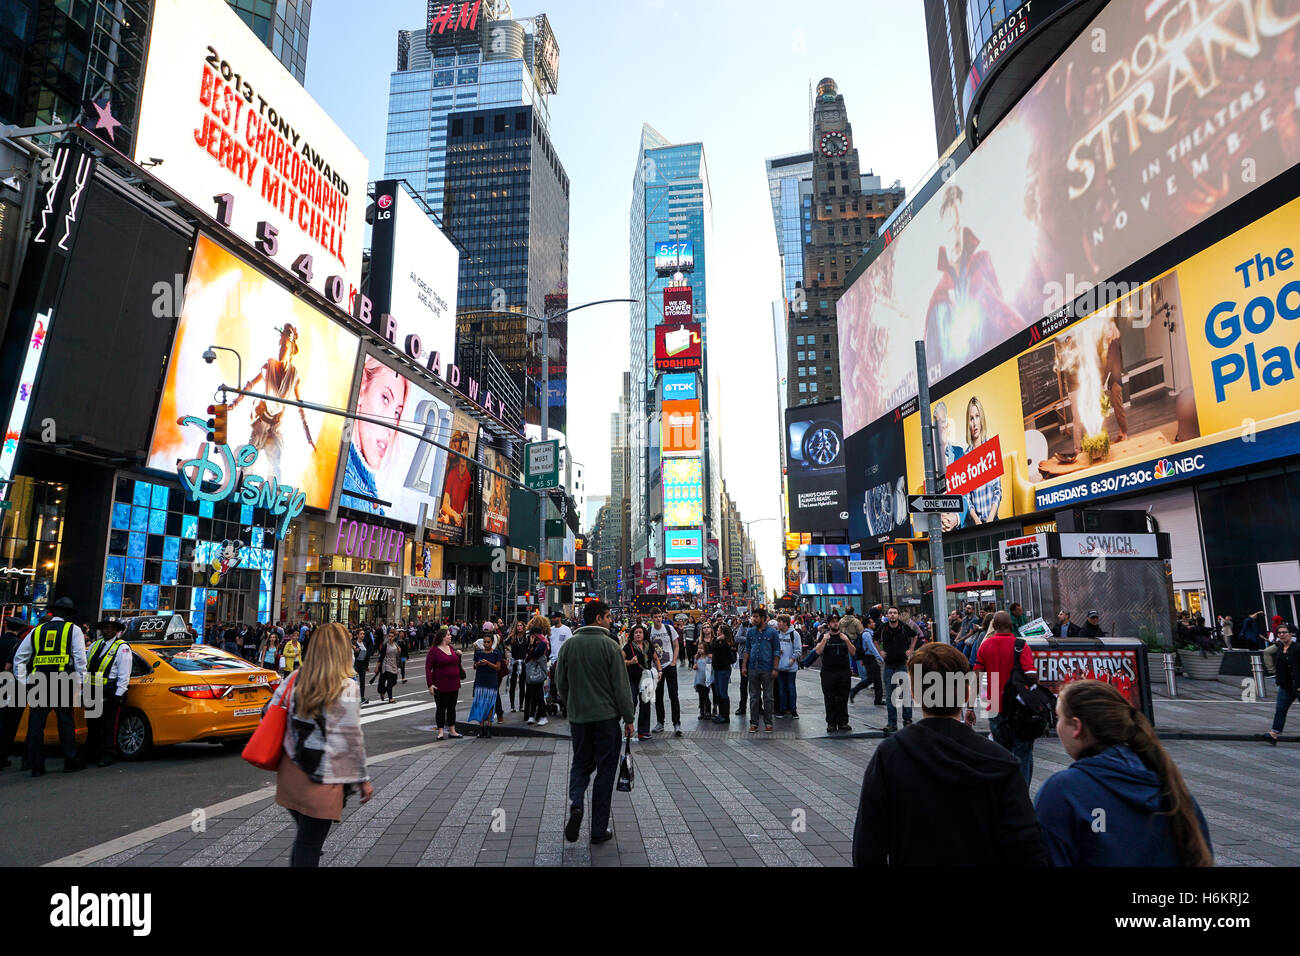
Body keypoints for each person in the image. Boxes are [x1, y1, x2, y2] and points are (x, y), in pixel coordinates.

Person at [852, 642, 1047, 867]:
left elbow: (867, 849)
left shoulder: (890, 756)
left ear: (914, 693)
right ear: (966, 693)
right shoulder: (1001, 762)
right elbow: (1029, 851)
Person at [1035, 679, 1212, 866]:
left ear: (1077, 727)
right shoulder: (1174, 791)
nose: (1057, 726)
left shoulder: (1064, 791)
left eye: (1059, 717)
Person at [269, 622, 373, 866]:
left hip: (292, 771)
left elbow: (269, 711)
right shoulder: (346, 686)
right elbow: (350, 739)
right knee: (309, 845)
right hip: (324, 776)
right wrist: (363, 779)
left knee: (305, 841)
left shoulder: (296, 677)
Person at [556, 602, 635, 846]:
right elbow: (621, 688)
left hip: (580, 719)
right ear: (599, 618)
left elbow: (561, 683)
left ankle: (577, 803)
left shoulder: (569, 646)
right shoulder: (611, 646)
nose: (612, 621)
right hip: (606, 720)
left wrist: (573, 707)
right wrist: (629, 718)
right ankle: (598, 829)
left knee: (580, 765)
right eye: (609, 616)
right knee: (605, 771)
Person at [14, 597, 88, 776]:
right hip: (63, 681)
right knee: (66, 722)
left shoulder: (37, 631)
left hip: (39, 682)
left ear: (53, 612)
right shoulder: (74, 630)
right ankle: (69, 761)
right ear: (69, 615)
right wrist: (81, 684)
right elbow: (80, 660)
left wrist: (24, 682)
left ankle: (36, 766)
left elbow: (19, 659)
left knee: (36, 725)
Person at [974, 610, 1039, 785]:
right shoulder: (1021, 645)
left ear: (993, 626)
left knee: (1001, 753)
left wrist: (969, 708)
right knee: (1023, 753)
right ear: (1011, 626)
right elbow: (1032, 675)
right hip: (1020, 708)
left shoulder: (985, 646)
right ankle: (1022, 794)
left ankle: (1004, 791)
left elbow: (977, 676)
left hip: (995, 706)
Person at [83, 620, 132, 767]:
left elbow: (124, 673)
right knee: (93, 725)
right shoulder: (95, 645)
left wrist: (118, 694)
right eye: (105, 628)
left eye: (111, 628)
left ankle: (108, 754)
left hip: (110, 690)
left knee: (109, 725)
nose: (108, 630)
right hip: (92, 689)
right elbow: (86, 665)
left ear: (117, 631)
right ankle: (91, 753)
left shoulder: (122, 647)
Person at [876, 607, 917, 734]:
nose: (892, 615)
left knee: (906, 693)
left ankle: (907, 720)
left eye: (895, 613)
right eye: (890, 613)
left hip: (902, 664)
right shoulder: (883, 628)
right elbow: (875, 639)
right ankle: (892, 723)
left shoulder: (904, 627)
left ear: (898, 615)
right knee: (889, 696)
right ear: (887, 615)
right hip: (889, 666)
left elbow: (915, 635)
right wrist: (880, 652)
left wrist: (910, 650)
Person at [815, 614, 856, 733]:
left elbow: (853, 652)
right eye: (833, 622)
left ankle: (843, 721)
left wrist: (847, 640)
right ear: (828, 624)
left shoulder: (844, 636)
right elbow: (818, 651)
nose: (835, 623)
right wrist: (824, 640)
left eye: (837, 621)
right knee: (830, 698)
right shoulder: (824, 636)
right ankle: (831, 723)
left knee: (843, 698)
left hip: (843, 672)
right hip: (828, 672)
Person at [741, 608, 779, 734]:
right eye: (753, 617)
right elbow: (747, 649)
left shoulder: (772, 633)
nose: (754, 619)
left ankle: (768, 722)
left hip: (767, 669)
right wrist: (744, 666)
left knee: (768, 697)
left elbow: (776, 651)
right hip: (753, 668)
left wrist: (775, 668)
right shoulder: (751, 632)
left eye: (756, 616)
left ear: (763, 618)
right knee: (753, 697)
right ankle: (754, 723)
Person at [425, 628, 465, 741]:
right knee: (441, 708)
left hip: (454, 683)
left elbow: (456, 663)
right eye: (448, 635)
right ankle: (441, 732)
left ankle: (452, 731)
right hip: (440, 684)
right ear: (443, 637)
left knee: (452, 708)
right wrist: (430, 684)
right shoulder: (434, 651)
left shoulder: (451, 648)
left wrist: (459, 656)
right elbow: (428, 668)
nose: (450, 636)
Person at [648, 610, 682, 736]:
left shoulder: (669, 628)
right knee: (659, 696)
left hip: (670, 665)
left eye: (660, 616)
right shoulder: (649, 631)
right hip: (657, 667)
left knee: (674, 695)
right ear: (652, 618)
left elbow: (676, 645)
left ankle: (676, 723)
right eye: (655, 617)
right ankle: (660, 722)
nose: (658, 619)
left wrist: (674, 661)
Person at [624, 624, 658, 739]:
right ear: (632, 635)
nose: (638, 634)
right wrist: (630, 662)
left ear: (644, 634)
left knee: (645, 704)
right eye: (636, 632)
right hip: (632, 679)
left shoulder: (649, 646)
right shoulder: (628, 647)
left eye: (640, 632)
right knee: (632, 702)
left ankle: (643, 731)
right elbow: (620, 661)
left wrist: (660, 671)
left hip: (646, 679)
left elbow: (656, 659)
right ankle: (629, 725)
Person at [467, 632, 504, 738]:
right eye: (484, 642)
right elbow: (474, 666)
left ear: (492, 643)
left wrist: (487, 663)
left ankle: (489, 728)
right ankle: (481, 728)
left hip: (491, 682)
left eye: (488, 642)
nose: (486, 644)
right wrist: (478, 664)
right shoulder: (479, 652)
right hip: (480, 681)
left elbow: (498, 667)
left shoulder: (496, 653)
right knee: (480, 704)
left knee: (490, 705)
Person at [1268, 623, 1299, 746]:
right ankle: (1274, 733)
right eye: (1279, 633)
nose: (1281, 635)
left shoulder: (1297, 648)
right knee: (1280, 709)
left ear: (1291, 634)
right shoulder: (1280, 648)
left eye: (1284, 632)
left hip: (1297, 684)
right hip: (1285, 685)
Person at [849, 612, 885, 706]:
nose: (874, 624)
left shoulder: (870, 633)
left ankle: (878, 699)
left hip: (869, 658)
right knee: (873, 679)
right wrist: (880, 658)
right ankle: (854, 691)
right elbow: (872, 648)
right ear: (868, 624)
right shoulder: (867, 635)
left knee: (874, 679)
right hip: (869, 658)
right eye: (872, 622)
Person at [523, 619, 551, 726]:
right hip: (532, 672)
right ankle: (532, 716)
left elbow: (534, 655)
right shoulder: (538, 643)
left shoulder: (542, 643)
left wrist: (531, 647)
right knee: (533, 694)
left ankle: (542, 716)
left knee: (538, 694)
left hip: (538, 672)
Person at [775, 614, 802, 719]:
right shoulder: (776, 634)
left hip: (791, 667)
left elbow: (798, 650)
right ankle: (782, 709)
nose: (778, 624)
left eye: (780, 622)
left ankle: (793, 710)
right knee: (781, 689)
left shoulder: (794, 634)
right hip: (780, 666)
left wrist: (791, 660)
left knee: (791, 688)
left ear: (785, 623)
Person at [709, 624, 736, 725]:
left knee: (723, 692)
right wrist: (717, 639)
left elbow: (715, 648)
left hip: (723, 670)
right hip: (718, 669)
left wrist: (716, 640)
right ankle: (721, 714)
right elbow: (712, 647)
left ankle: (725, 716)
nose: (717, 632)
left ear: (723, 632)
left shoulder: (726, 643)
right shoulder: (720, 641)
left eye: (718, 630)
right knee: (719, 692)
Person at [506, 621, 529, 712]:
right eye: (518, 626)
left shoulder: (526, 638)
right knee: (513, 684)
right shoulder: (513, 637)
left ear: (523, 627)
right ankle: (512, 706)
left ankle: (521, 705)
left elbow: (528, 648)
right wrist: (510, 651)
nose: (519, 627)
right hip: (514, 663)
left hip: (523, 663)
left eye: (521, 626)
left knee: (522, 685)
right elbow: (504, 643)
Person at [374, 631, 402, 704]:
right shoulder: (385, 645)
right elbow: (381, 656)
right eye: (389, 636)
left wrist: (399, 650)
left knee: (394, 681)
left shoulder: (395, 644)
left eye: (392, 636)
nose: (390, 638)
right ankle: (390, 698)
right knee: (389, 682)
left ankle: (383, 691)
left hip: (394, 665)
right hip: (386, 665)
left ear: (394, 637)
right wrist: (377, 666)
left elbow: (398, 652)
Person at [693, 638, 713, 718]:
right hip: (698, 680)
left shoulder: (708, 658)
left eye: (701, 648)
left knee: (705, 696)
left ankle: (708, 711)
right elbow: (695, 666)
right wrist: (694, 666)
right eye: (698, 648)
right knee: (701, 697)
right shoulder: (696, 657)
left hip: (705, 680)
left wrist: (708, 680)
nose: (700, 650)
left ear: (705, 649)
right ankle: (701, 711)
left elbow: (710, 669)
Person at [351, 630, 370, 704]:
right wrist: (355, 650)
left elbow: (367, 655)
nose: (362, 635)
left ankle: (362, 697)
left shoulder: (364, 644)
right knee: (354, 681)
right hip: (356, 663)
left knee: (362, 681)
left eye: (363, 634)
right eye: (361, 634)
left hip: (362, 664)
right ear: (358, 635)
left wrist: (367, 665)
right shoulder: (354, 643)